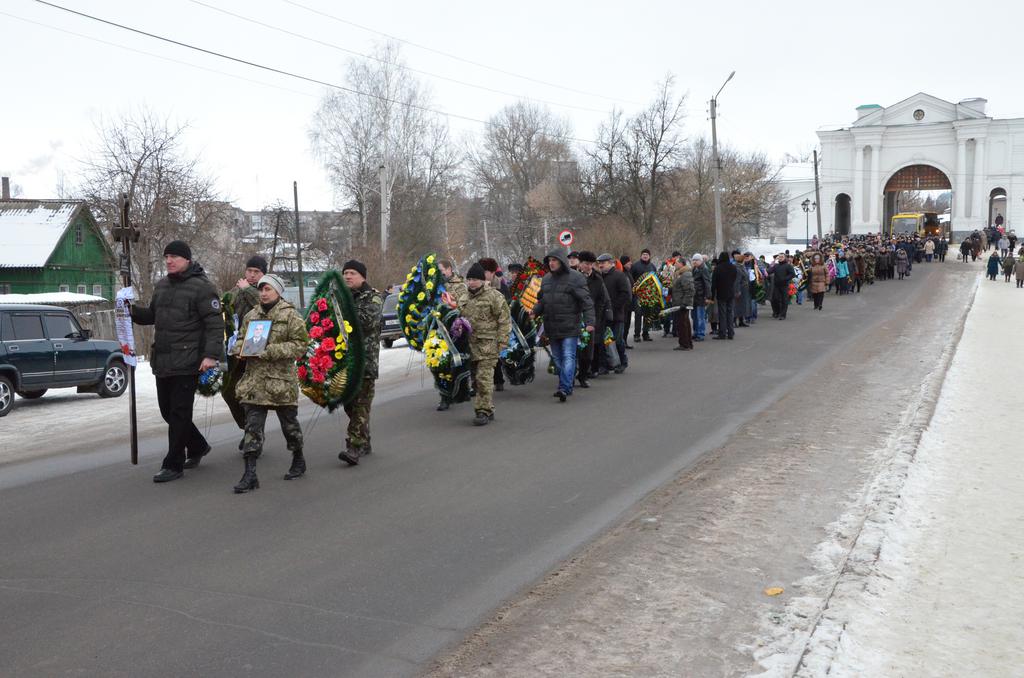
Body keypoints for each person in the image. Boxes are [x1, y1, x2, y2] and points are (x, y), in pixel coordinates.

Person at [130, 240, 224, 483]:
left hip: (188, 360)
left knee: (179, 413)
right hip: (163, 359)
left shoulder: (202, 288)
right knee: (167, 411)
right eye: (167, 256)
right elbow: (152, 315)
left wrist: (211, 355)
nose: (169, 260)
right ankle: (197, 446)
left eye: (174, 256)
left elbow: (215, 325)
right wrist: (130, 311)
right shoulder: (162, 286)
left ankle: (173, 464)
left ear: (187, 260)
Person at [230, 274, 309, 493]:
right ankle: (250, 473)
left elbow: (300, 345)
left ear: (278, 292)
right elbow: (240, 339)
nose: (263, 293)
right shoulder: (251, 315)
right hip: (254, 382)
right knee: (252, 427)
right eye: (261, 289)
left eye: (268, 290)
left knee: (289, 426)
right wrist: (240, 351)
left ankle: (298, 458)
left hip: (280, 382)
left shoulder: (290, 315)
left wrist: (270, 351)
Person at [530, 250, 595, 402]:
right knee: (557, 359)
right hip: (552, 326)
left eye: (554, 260)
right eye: (549, 260)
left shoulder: (575, 278)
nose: (551, 263)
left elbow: (587, 301)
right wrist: (534, 312)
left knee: (568, 357)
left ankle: (564, 388)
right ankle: (565, 383)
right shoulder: (546, 279)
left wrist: (591, 322)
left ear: (561, 261)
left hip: (570, 326)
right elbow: (543, 301)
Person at [338, 260, 383, 466]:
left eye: (352, 273)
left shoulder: (373, 297)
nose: (347, 276)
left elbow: (366, 322)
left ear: (362, 276)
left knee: (361, 406)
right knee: (350, 405)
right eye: (345, 273)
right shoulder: (341, 298)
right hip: (345, 363)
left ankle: (353, 446)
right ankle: (364, 440)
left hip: (365, 363)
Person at [222, 255, 266, 446]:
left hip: (257, 346)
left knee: (252, 394)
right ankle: (248, 428)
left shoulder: (267, 290)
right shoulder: (236, 290)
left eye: (257, 272)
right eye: (249, 271)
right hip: (235, 348)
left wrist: (248, 290)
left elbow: (267, 308)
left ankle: (254, 435)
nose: (252, 275)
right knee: (228, 391)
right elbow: (224, 308)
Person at [461, 263, 511, 426]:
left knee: (484, 378)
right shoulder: (464, 297)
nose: (471, 283)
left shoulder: (494, 296)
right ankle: (488, 407)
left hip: (488, 344)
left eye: (474, 279)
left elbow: (504, 320)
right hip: (470, 345)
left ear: (482, 280)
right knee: (476, 381)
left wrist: (503, 340)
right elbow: (457, 317)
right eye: (469, 280)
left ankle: (482, 411)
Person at [478, 257, 509, 393]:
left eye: (485, 272)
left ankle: (498, 379)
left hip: (496, 325)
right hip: (481, 325)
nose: (483, 275)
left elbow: (507, 303)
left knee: (495, 354)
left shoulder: (501, 285)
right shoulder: (477, 285)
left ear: (492, 272)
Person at [598, 253, 630, 373]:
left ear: (611, 263)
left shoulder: (619, 275)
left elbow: (625, 295)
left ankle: (623, 361)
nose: (600, 265)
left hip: (617, 315)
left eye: (603, 263)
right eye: (599, 263)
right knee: (603, 341)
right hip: (602, 315)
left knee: (617, 339)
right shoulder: (599, 277)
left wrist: (613, 307)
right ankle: (605, 365)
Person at [631, 249, 657, 341]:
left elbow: (656, 280)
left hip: (649, 294)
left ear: (649, 256)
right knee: (638, 314)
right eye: (643, 254)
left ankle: (646, 333)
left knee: (648, 314)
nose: (645, 256)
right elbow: (631, 279)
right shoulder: (635, 266)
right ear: (641, 256)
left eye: (647, 254)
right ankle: (636, 335)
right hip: (638, 294)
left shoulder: (653, 266)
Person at [710, 252, 737, 339]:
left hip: (721, 293)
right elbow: (734, 279)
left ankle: (722, 333)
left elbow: (713, 283)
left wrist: (712, 295)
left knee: (722, 313)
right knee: (730, 313)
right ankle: (731, 333)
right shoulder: (733, 267)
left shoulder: (718, 268)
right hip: (731, 293)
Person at [670, 260, 695, 350]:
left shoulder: (686, 274)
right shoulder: (680, 274)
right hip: (678, 302)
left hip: (682, 303)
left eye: (676, 263)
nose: (675, 264)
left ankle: (685, 344)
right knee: (683, 323)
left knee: (683, 324)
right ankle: (686, 343)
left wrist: (684, 303)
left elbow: (689, 290)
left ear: (681, 264)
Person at [690, 254, 711, 341]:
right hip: (694, 296)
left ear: (701, 261)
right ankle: (696, 332)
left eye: (696, 260)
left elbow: (707, 283)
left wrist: (707, 296)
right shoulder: (694, 269)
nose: (695, 261)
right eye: (693, 260)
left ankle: (701, 334)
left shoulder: (704, 269)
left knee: (700, 316)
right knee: (694, 316)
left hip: (701, 296)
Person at [771, 254, 797, 319]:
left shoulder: (788, 266)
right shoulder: (776, 266)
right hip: (776, 285)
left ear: (785, 258)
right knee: (775, 299)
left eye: (782, 257)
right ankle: (778, 312)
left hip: (785, 285)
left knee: (784, 300)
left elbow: (792, 274)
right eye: (779, 257)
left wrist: (785, 278)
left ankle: (783, 315)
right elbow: (769, 271)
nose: (780, 258)